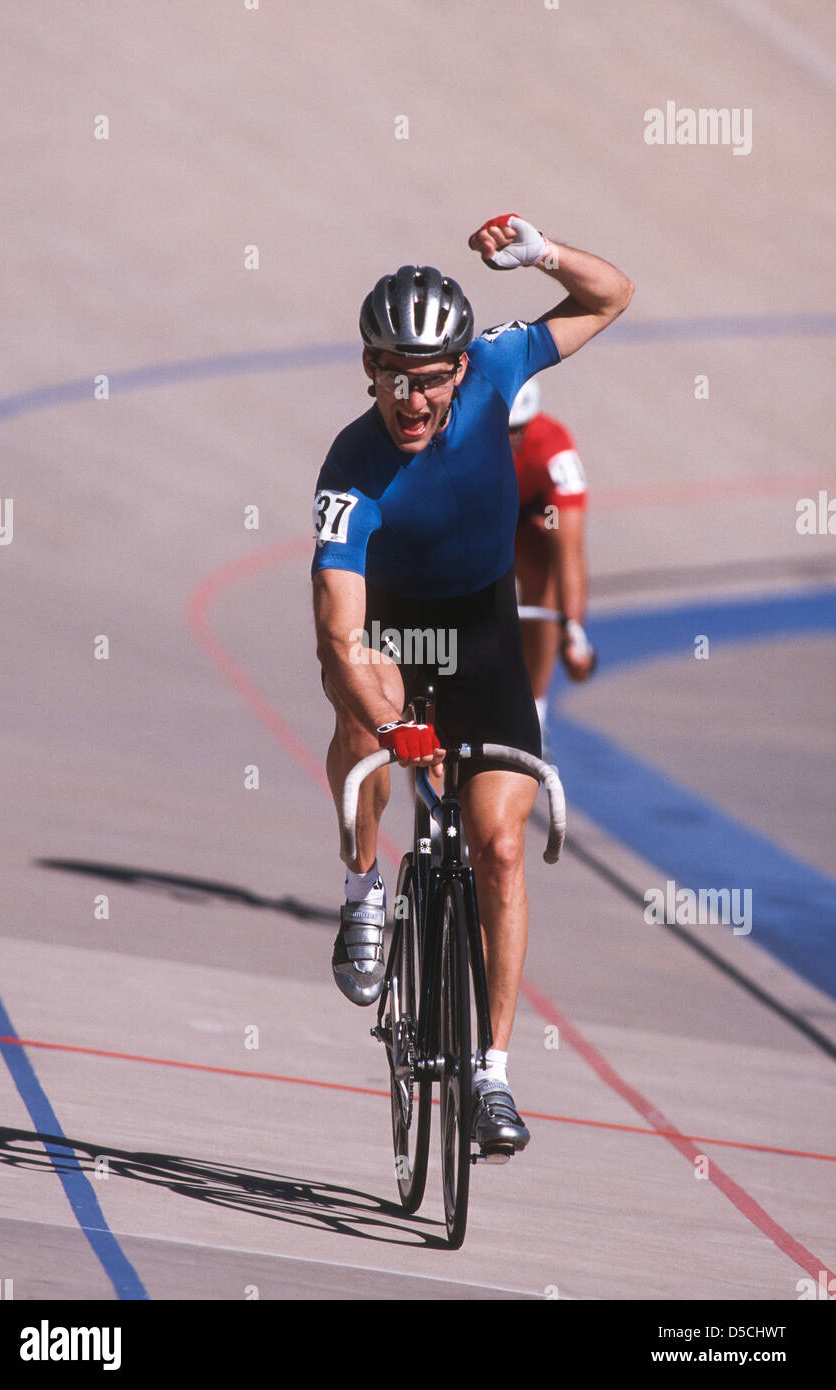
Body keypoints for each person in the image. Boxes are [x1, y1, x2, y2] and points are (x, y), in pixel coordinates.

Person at [312, 214, 633, 1151]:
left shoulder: (499, 365)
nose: (412, 397)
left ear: (463, 365)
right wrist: (388, 720)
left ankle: (492, 1074)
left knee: (498, 848)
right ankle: (363, 890)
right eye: (392, 375)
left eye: (431, 375)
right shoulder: (350, 465)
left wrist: (544, 255)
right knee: (356, 719)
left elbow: (610, 295)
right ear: (367, 370)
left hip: (483, 626)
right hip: (391, 627)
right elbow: (340, 631)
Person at [510, 381, 596, 736]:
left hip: (527, 516)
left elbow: (569, 556)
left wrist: (573, 628)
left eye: (518, 430)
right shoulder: (463, 434)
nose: (509, 439)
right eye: (502, 429)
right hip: (480, 514)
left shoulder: (555, 448)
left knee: (542, 562)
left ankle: (536, 704)